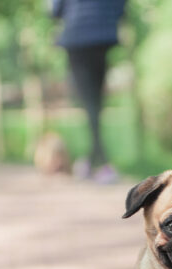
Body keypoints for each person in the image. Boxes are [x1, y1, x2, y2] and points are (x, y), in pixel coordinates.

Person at [51, 0, 126, 184]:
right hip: (103, 35)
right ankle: (92, 159)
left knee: (89, 101)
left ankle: (102, 163)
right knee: (96, 101)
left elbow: (54, 9)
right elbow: (121, 5)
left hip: (77, 36)